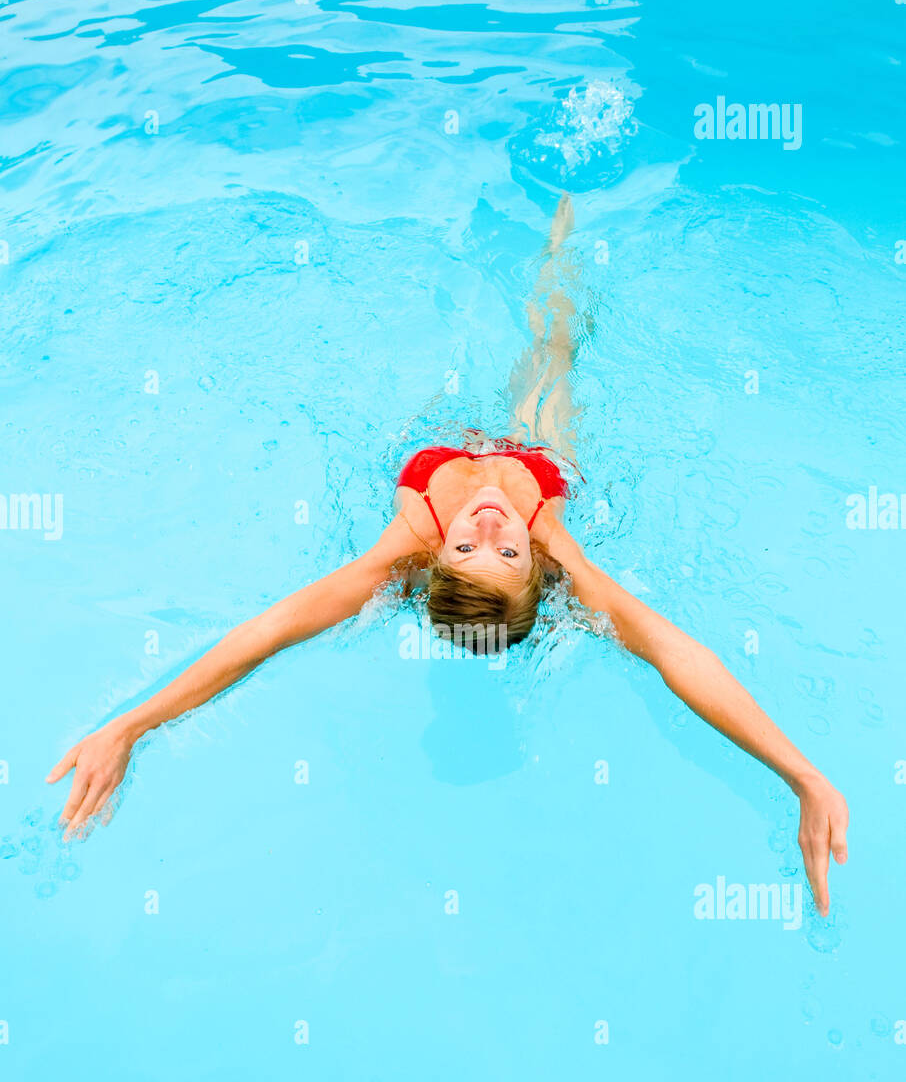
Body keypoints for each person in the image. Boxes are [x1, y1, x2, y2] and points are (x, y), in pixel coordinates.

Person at [47, 196, 848, 914]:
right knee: (555, 334)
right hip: (542, 450)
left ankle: (473, 236)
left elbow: (264, 634)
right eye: (502, 549)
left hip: (434, 451)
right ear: (537, 571)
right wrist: (802, 774)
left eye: (472, 543)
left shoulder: (407, 546)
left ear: (438, 558)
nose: (492, 522)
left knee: (446, 342)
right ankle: (568, 220)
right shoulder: (553, 543)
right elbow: (674, 651)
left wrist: (133, 725)